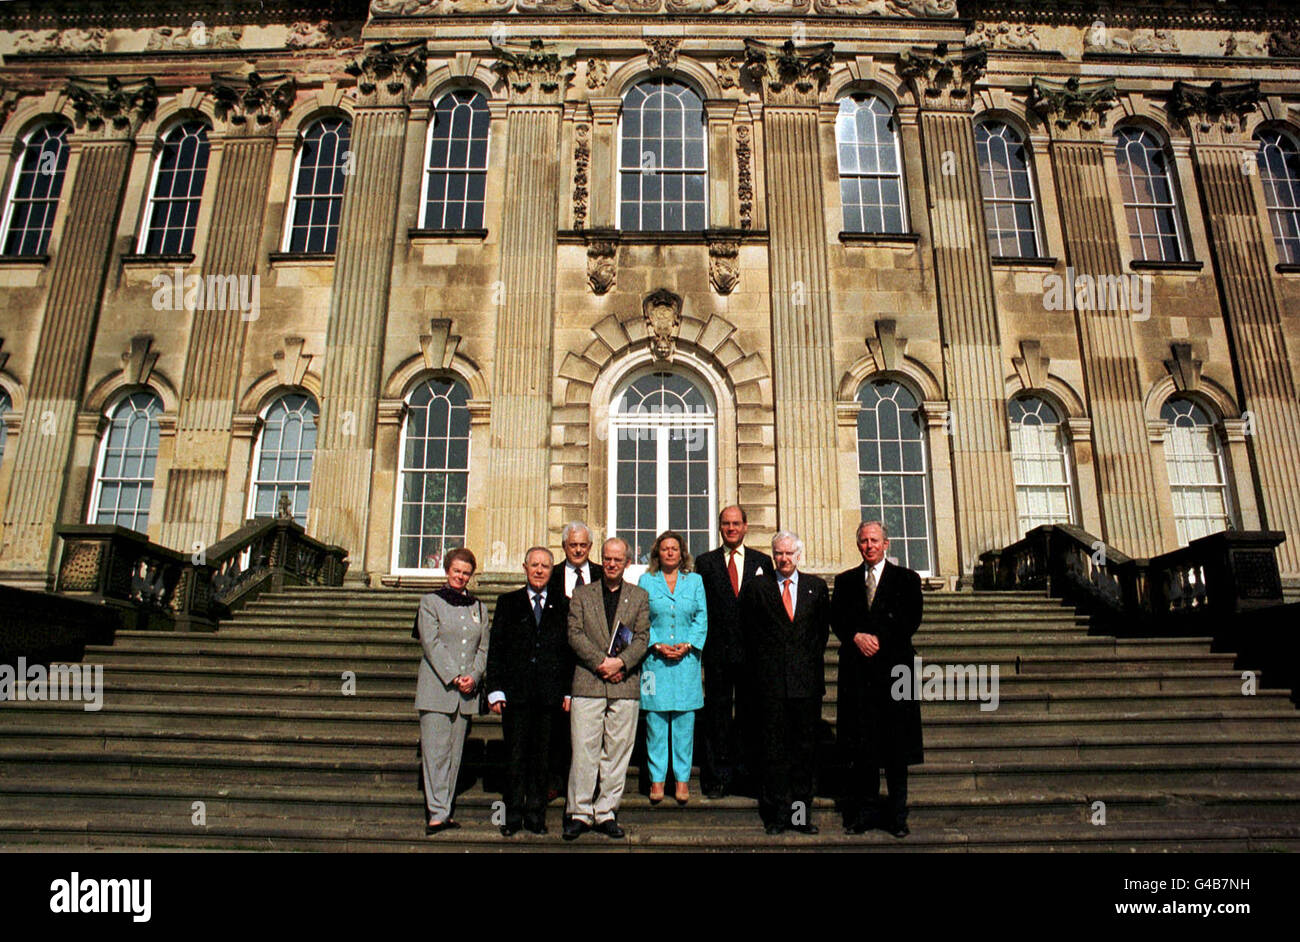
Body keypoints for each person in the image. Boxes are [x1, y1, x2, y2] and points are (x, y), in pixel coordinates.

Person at [832, 520, 924, 839]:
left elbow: (912, 618)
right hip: (858, 676)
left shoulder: (908, 579)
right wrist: (856, 636)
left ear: (886, 544)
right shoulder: (845, 581)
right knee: (863, 752)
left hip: (896, 672)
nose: (868, 546)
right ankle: (864, 815)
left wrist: (877, 638)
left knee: (897, 752)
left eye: (873, 540)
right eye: (862, 541)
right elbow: (838, 619)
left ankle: (897, 816)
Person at [739, 531, 830, 835]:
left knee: (804, 753)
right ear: (773, 555)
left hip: (806, 685)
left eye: (790, 553)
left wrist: (803, 666)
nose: (784, 558)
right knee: (774, 752)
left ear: (798, 555)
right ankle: (777, 815)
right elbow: (748, 633)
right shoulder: (757, 588)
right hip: (770, 685)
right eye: (779, 553)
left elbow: (820, 635)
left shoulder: (816, 588)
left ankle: (801, 816)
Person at [563, 537, 650, 840]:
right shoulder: (581, 594)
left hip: (624, 685)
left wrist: (621, 663)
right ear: (602, 560)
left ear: (627, 562)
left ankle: (606, 811)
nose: (612, 564)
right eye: (607, 559)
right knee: (584, 750)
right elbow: (574, 634)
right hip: (588, 680)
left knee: (617, 753)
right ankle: (580, 812)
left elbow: (641, 638)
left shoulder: (639, 596)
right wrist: (601, 662)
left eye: (618, 559)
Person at [484, 547, 574, 836]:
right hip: (516, 694)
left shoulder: (564, 604)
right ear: (524, 567)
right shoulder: (508, 602)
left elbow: (568, 653)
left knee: (542, 757)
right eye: (534, 565)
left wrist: (567, 692)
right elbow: (495, 648)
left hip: (549, 695)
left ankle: (535, 815)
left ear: (552, 571)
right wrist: (494, 689)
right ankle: (512, 815)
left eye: (545, 566)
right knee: (515, 756)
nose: (539, 570)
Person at [694, 505, 773, 798]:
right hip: (717, 654)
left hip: (753, 655)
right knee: (717, 717)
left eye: (736, 523)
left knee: (750, 716)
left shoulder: (762, 561)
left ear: (746, 526)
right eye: (726, 524)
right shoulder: (706, 563)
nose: (731, 528)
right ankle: (717, 777)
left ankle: (747, 775)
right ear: (719, 527)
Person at [415, 547, 489, 835]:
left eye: (466, 572)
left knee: (455, 755)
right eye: (457, 570)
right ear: (447, 571)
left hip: (466, 694)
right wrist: (455, 675)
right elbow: (430, 643)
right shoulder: (430, 602)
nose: (461, 576)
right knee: (435, 754)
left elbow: (484, 646)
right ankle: (436, 812)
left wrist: (473, 675)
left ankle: (445, 810)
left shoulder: (478, 607)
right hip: (437, 689)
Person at [637, 530, 708, 805]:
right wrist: (655, 644)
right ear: (657, 553)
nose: (669, 553)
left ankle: (681, 780)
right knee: (655, 723)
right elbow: (640, 618)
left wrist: (689, 644)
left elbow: (701, 617)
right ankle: (656, 780)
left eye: (674, 549)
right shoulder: (646, 580)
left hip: (686, 662)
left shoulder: (696, 581)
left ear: (682, 553)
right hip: (655, 662)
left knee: (683, 724)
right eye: (664, 549)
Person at [545, 521, 601, 800]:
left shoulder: (602, 575)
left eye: (583, 545)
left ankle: (592, 786)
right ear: (564, 546)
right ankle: (556, 780)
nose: (578, 549)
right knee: (558, 726)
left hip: (592, 662)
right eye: (572, 545)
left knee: (590, 729)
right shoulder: (550, 575)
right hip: (556, 662)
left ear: (590, 547)